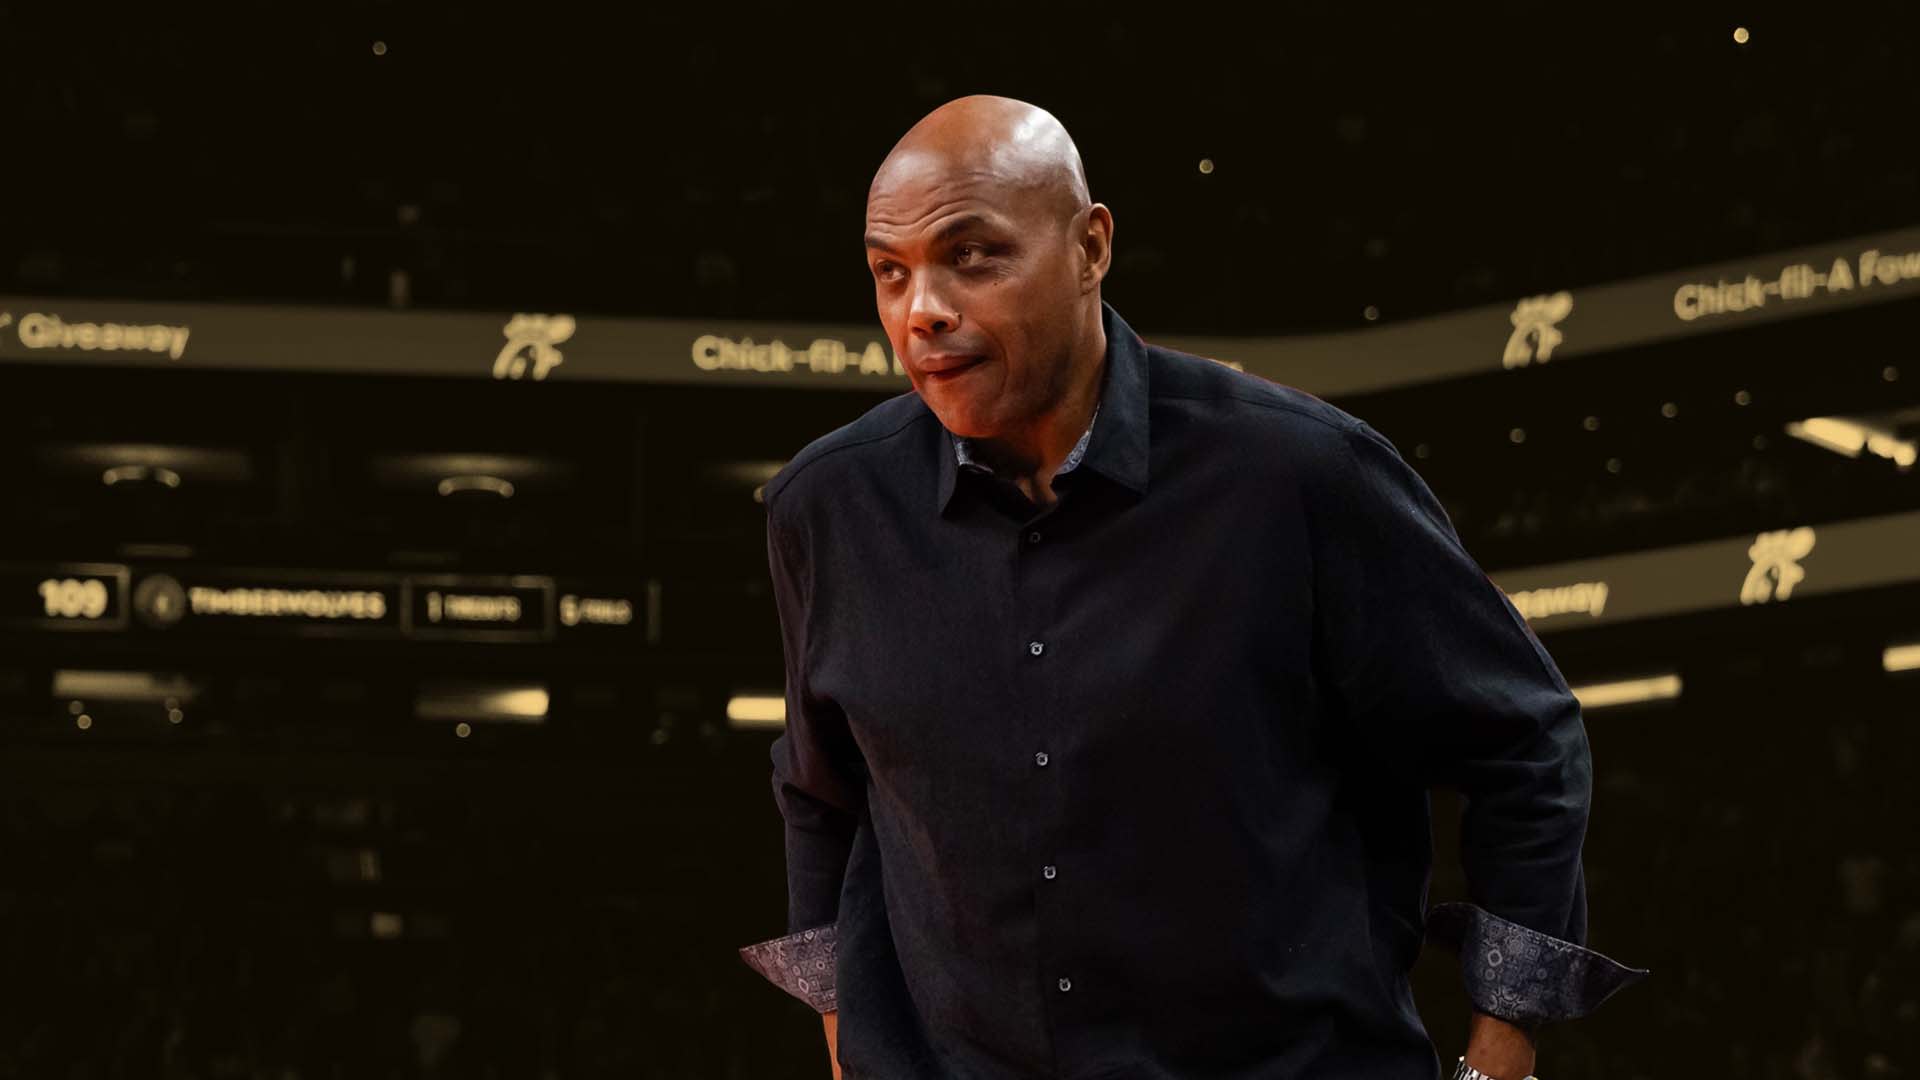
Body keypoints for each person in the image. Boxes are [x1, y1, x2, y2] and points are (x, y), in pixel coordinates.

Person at [738, 95, 1646, 1080]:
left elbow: (1523, 736)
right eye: (890, 272)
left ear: (1090, 248)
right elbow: (818, 792)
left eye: (972, 255)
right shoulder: (827, 507)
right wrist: (846, 1041)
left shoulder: (1302, 475)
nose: (923, 310)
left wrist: (1499, 1059)